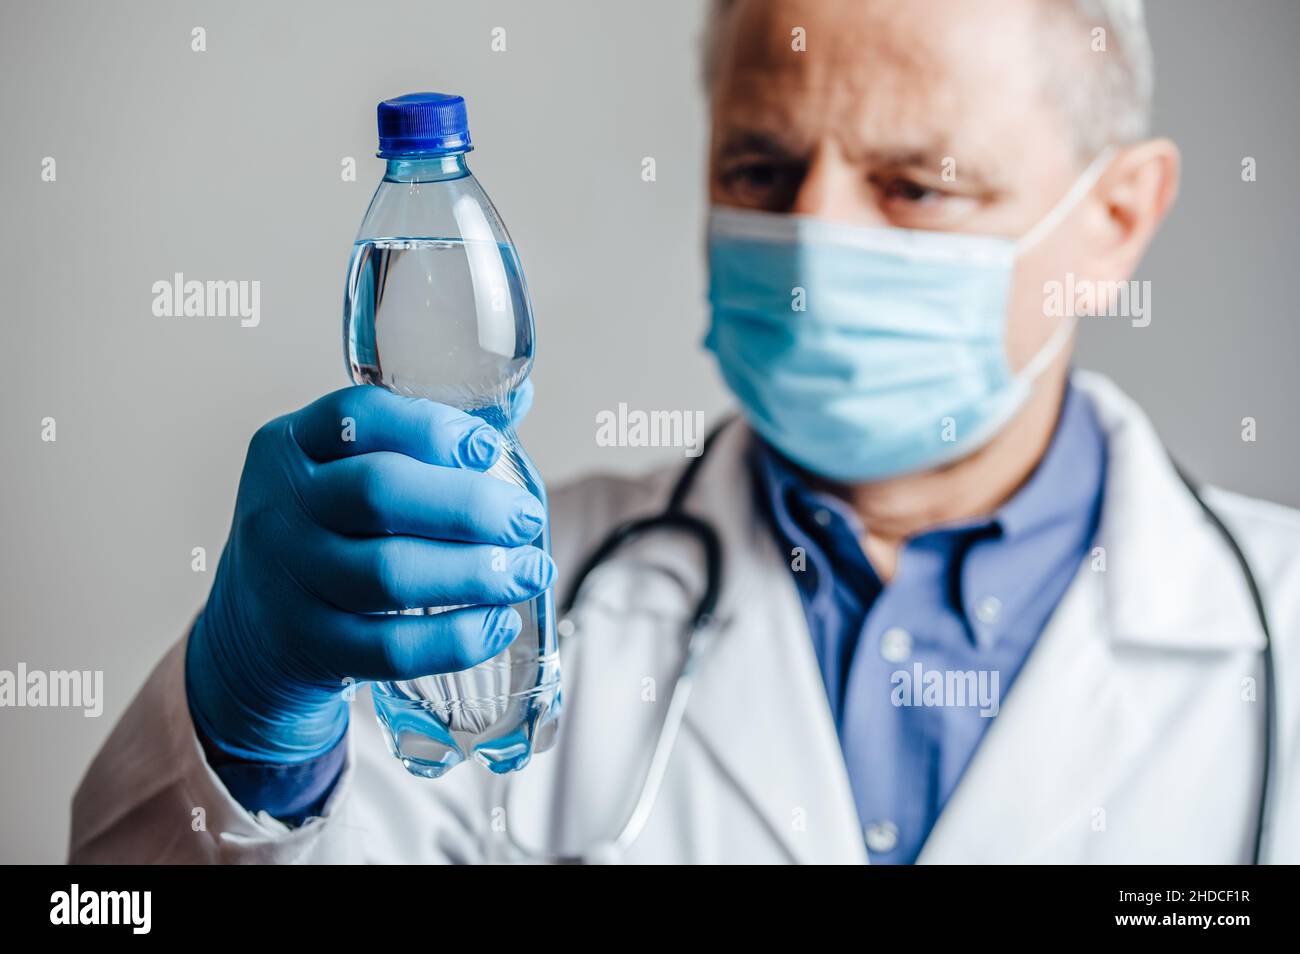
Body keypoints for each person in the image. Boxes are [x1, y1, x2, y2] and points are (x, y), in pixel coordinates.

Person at [71, 0, 1300, 864]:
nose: (813, 238)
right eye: (763, 173)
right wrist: (249, 737)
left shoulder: (1275, 631)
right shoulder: (492, 601)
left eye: (915, 185)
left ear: (1117, 219)